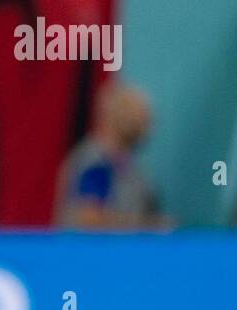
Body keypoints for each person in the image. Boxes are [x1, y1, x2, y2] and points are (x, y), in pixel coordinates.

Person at [55, 82, 164, 229]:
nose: (146, 124)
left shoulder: (128, 167)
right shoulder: (96, 164)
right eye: (137, 115)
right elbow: (89, 220)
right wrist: (148, 227)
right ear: (115, 115)